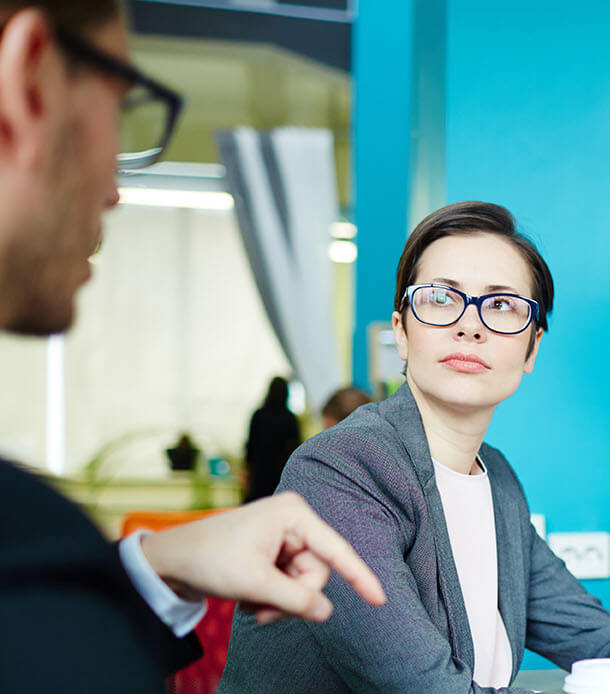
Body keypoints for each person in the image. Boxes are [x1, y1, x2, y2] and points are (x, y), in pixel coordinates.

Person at [220, 202, 610, 693]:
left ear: (531, 349)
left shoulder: (495, 478)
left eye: (501, 306)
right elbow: (428, 689)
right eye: (441, 298)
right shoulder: (340, 470)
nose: (470, 325)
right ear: (401, 331)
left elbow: (593, 636)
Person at [0, 2, 385, 690]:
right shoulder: (34, 540)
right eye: (121, 110)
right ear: (27, 83)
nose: (114, 192)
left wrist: (156, 566)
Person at [244, 376, 302, 502]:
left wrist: (247, 472)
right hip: (280, 472)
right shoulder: (290, 419)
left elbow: (250, 447)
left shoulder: (258, 415)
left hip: (260, 471)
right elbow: (295, 448)